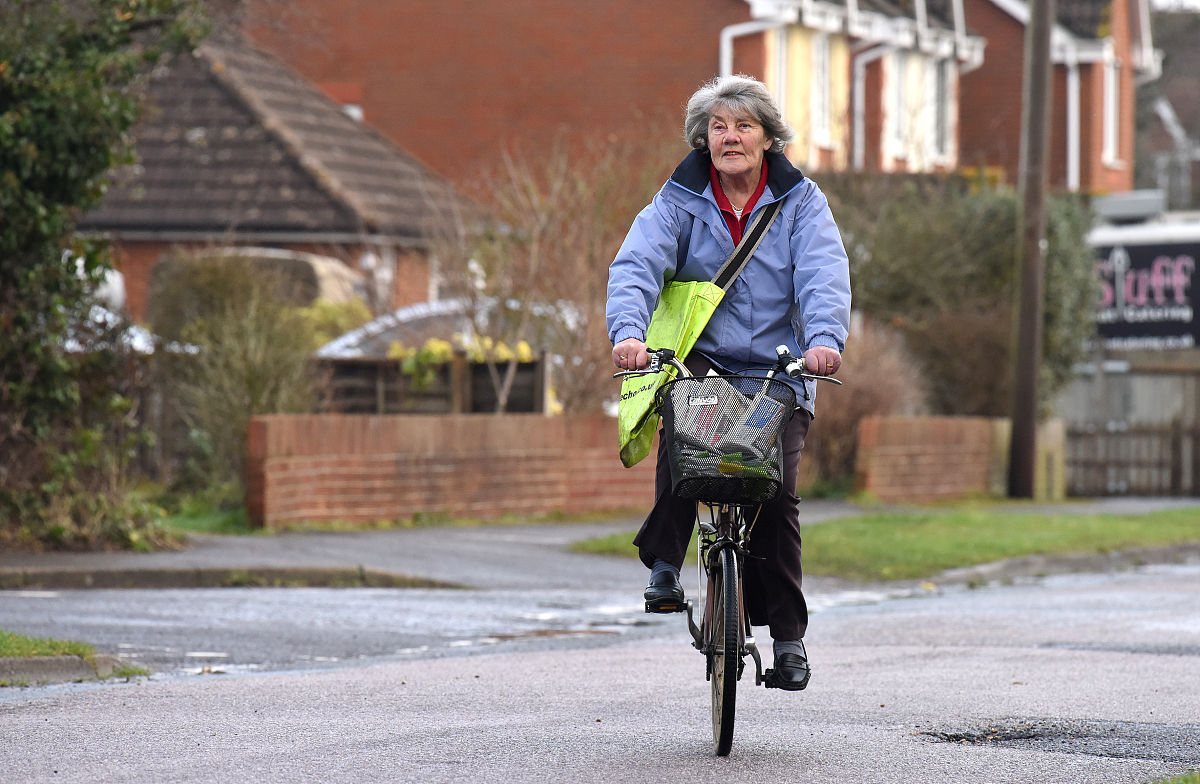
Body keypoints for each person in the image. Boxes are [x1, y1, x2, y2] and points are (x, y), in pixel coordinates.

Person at [605, 74, 851, 691]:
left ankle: (788, 641)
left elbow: (823, 271)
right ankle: (665, 565)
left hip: (780, 365)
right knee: (684, 442)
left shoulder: (800, 201)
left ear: (768, 138)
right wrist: (629, 333)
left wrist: (824, 342)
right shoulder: (679, 199)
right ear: (703, 139)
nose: (730, 136)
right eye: (718, 126)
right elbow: (637, 264)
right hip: (706, 360)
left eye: (743, 125)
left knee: (776, 493)